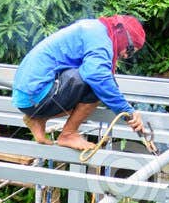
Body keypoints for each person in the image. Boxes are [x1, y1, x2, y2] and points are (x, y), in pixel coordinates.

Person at [11, 15, 149, 151]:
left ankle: (38, 119)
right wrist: (128, 111)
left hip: (26, 98)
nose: (125, 55)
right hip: (36, 96)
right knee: (97, 85)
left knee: (100, 82)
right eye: (129, 50)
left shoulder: (95, 28)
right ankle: (68, 134)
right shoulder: (100, 39)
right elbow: (97, 76)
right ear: (122, 34)